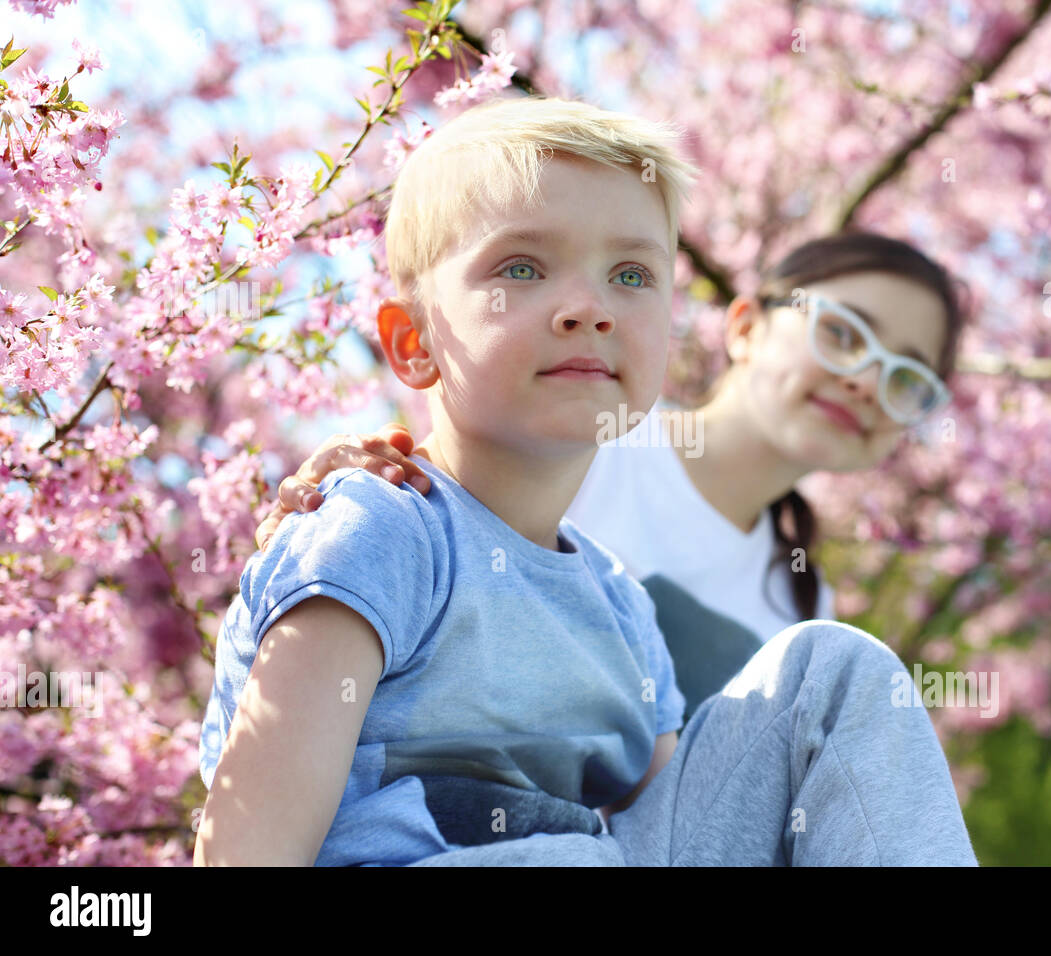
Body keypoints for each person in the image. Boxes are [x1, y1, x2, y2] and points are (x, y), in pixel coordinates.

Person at [198, 93, 977, 866]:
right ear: (414, 343)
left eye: (632, 275)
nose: (590, 307)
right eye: (523, 267)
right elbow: (246, 850)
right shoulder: (383, 530)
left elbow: (678, 839)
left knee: (835, 669)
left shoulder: (625, 612)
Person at [260, 231, 966, 725]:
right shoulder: (589, 430)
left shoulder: (806, 609)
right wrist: (350, 489)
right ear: (746, 325)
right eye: (843, 333)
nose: (868, 381)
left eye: (906, 377)